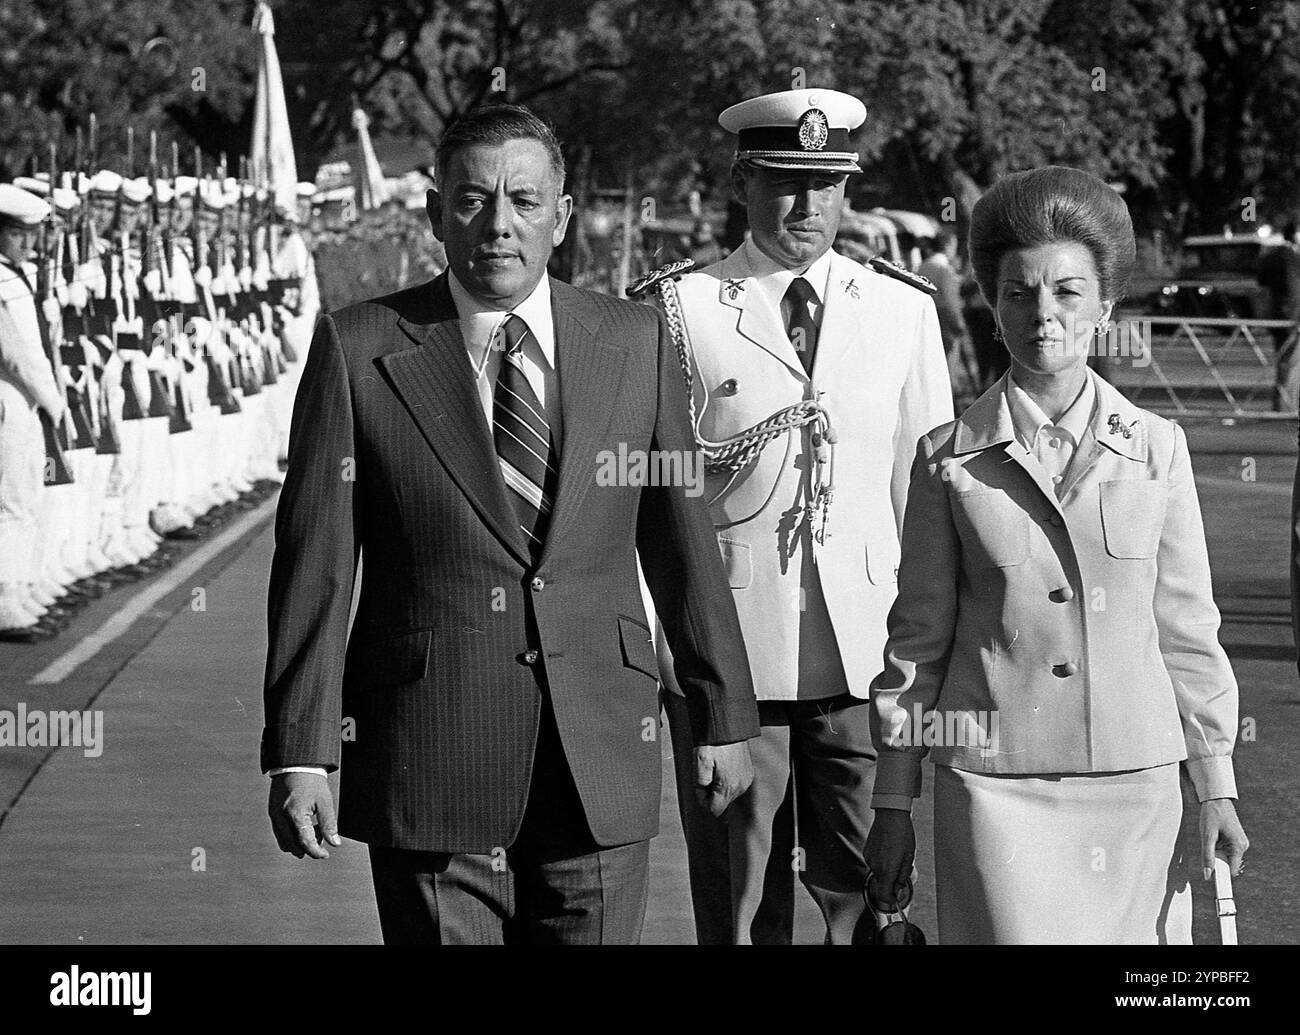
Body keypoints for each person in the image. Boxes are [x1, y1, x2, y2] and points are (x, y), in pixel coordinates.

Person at [262, 102, 759, 945]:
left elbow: (681, 540)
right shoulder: (358, 348)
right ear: (436, 212)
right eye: (472, 199)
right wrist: (301, 750)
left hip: (598, 759)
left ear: (560, 218)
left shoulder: (636, 341)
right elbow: (317, 565)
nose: (499, 224)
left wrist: (724, 711)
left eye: (524, 201)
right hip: (430, 762)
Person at [865, 166, 1249, 944]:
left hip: (1138, 789)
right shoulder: (946, 459)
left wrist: (1216, 784)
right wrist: (892, 801)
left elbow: (1187, 630)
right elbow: (916, 646)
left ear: (1105, 306)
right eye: (1019, 292)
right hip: (993, 792)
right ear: (992, 305)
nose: (1044, 313)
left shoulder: (1159, 449)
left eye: (1068, 291)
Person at [642, 88, 952, 944]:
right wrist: (669, 656)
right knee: (740, 909)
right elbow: (651, 502)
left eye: (826, 183)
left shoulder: (902, 309)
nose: (807, 204)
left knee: (873, 900)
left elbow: (925, 500)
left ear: (847, 188)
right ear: (742, 182)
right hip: (729, 661)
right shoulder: (679, 308)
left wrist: (928, 657)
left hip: (866, 661)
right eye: (784, 181)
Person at [0, 183, 66, 641]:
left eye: (31, 235)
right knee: (12, 503)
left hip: (26, 402)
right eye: (16, 234)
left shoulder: (16, 276)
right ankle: (6, 600)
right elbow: (18, 355)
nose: (27, 244)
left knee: (26, 499)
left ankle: (19, 590)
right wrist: (53, 399)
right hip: (13, 400)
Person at [1257, 221, 1300, 412]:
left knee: (1286, 361)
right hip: (1290, 317)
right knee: (1287, 362)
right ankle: (1282, 404)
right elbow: (1291, 289)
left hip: (1280, 314)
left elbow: (1261, 279)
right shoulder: (1292, 257)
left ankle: (1282, 403)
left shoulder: (1273, 256)